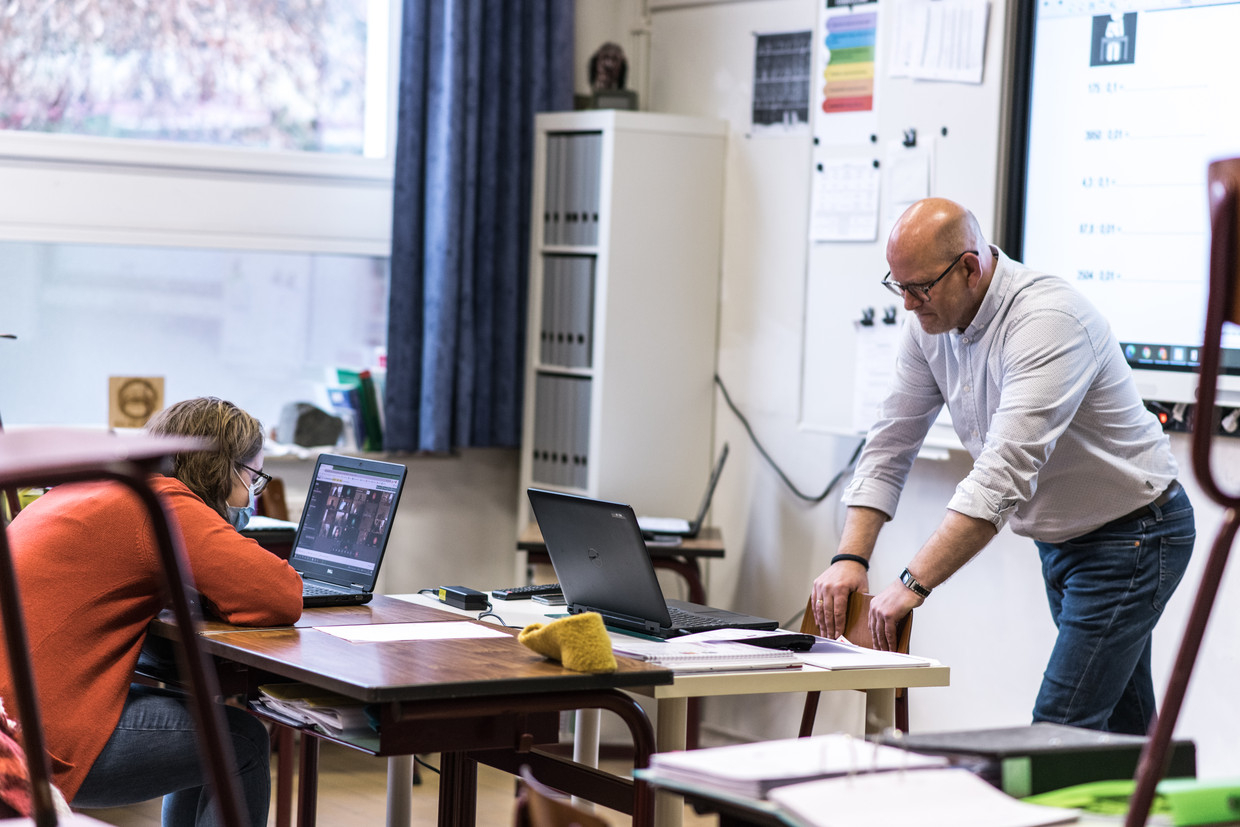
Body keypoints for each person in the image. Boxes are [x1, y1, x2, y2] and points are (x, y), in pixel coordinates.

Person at [810, 198, 1195, 735]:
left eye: (919, 288)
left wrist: (911, 583)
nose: (907, 304)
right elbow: (889, 443)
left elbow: (1002, 475)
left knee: (1058, 728)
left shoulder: (1046, 322)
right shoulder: (929, 324)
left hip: (1135, 535)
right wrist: (850, 556)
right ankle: (1163, 810)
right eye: (897, 286)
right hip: (1063, 542)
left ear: (969, 268)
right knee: (1122, 729)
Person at [0, 397, 304, 825]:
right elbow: (279, 595)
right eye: (254, 478)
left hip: (11, 717)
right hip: (35, 743)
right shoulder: (162, 502)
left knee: (198, 720)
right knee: (243, 741)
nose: (252, 495)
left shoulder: (93, 484)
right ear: (228, 469)